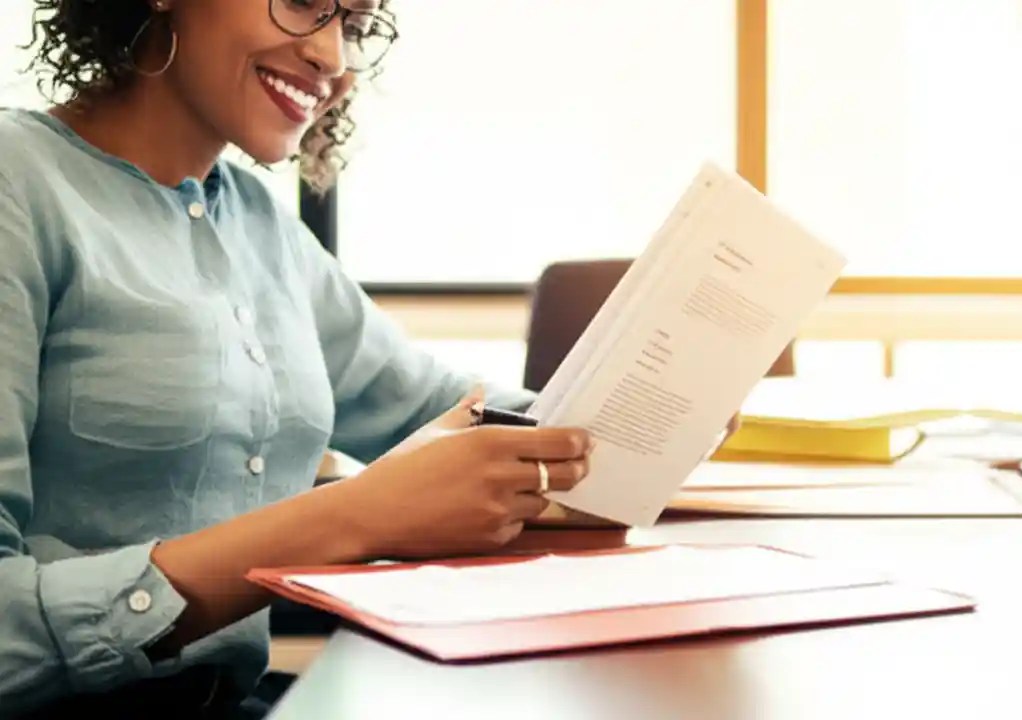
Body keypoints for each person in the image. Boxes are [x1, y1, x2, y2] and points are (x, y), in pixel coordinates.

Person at [0, 1, 739, 716]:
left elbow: (434, 404)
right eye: (301, 2)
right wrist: (352, 519)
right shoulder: (18, 185)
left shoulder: (257, 225)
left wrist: (647, 405)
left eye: (353, 24)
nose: (333, 57)